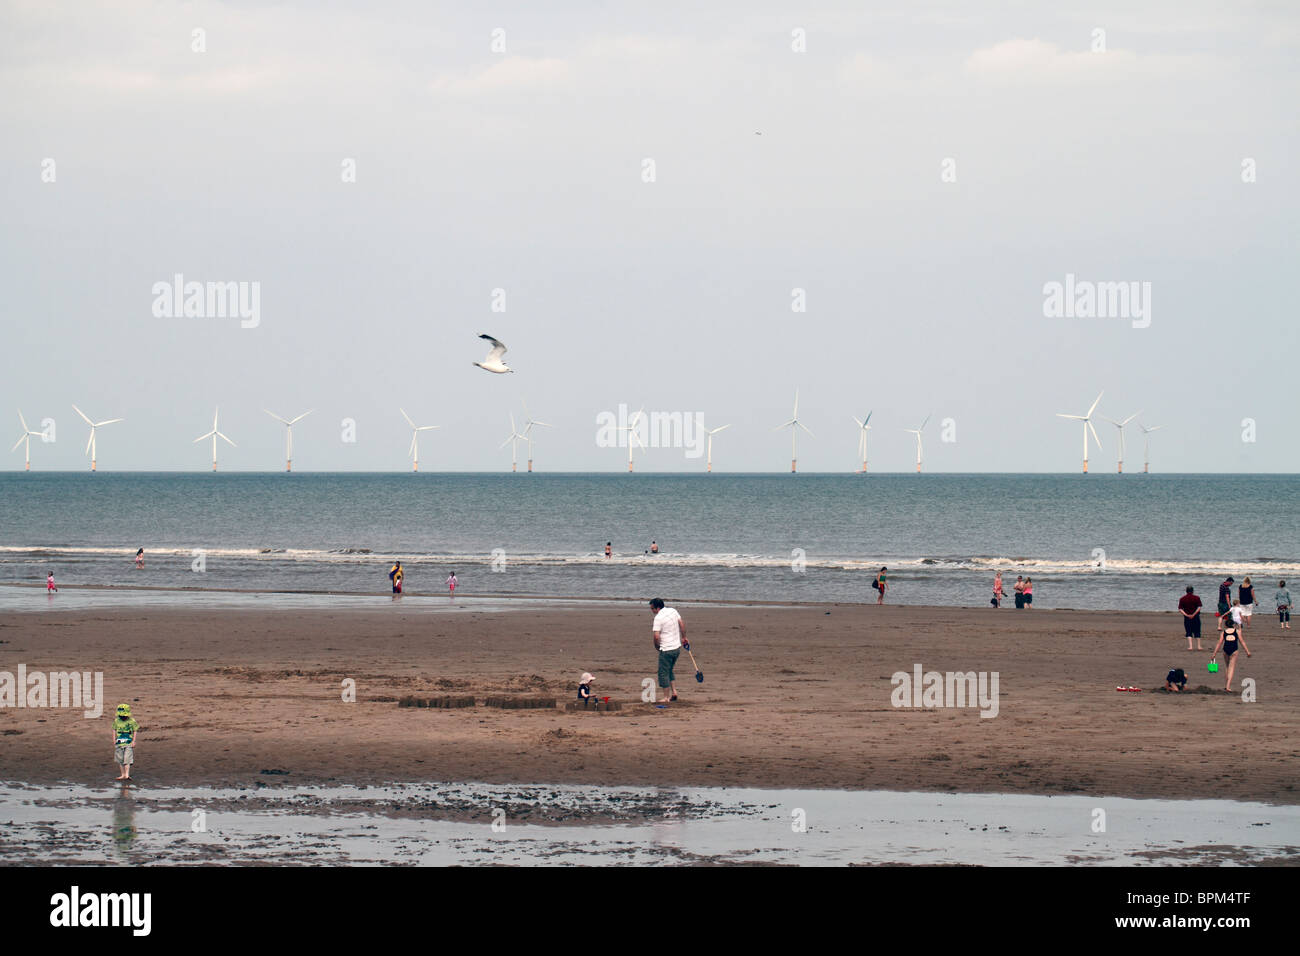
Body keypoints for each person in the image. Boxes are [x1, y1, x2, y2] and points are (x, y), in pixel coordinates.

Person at [649, 598, 685, 703]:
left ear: (657, 608)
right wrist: (684, 637)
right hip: (676, 648)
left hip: (666, 649)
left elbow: (656, 636)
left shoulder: (658, 618)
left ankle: (666, 697)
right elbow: (681, 623)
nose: (652, 611)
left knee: (663, 673)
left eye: (652, 609)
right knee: (670, 670)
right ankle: (674, 692)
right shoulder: (673, 611)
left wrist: (657, 647)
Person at [1210, 615, 1251, 693]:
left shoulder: (1223, 632)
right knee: (1231, 668)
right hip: (1234, 650)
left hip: (1225, 650)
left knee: (1227, 667)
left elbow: (1219, 643)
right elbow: (1242, 642)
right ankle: (1228, 686)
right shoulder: (1237, 632)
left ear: (1225, 625)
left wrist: (1214, 654)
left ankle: (1226, 685)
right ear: (1233, 624)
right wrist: (1247, 652)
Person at [113, 703, 140, 781]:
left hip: (128, 743)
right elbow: (114, 729)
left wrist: (134, 741)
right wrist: (114, 739)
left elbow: (135, 730)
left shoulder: (131, 721)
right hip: (119, 743)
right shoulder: (116, 721)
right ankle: (123, 774)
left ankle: (127, 775)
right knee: (120, 759)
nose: (122, 717)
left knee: (127, 759)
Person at [1178, 585, 1203, 651]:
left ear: (1186, 591)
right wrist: (1194, 614)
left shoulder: (1182, 599)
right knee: (1197, 631)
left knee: (1188, 631)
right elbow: (1199, 607)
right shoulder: (1197, 598)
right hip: (1196, 617)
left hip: (1187, 617)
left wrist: (1186, 615)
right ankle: (1199, 646)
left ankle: (1190, 646)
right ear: (1193, 591)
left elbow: (1180, 609)